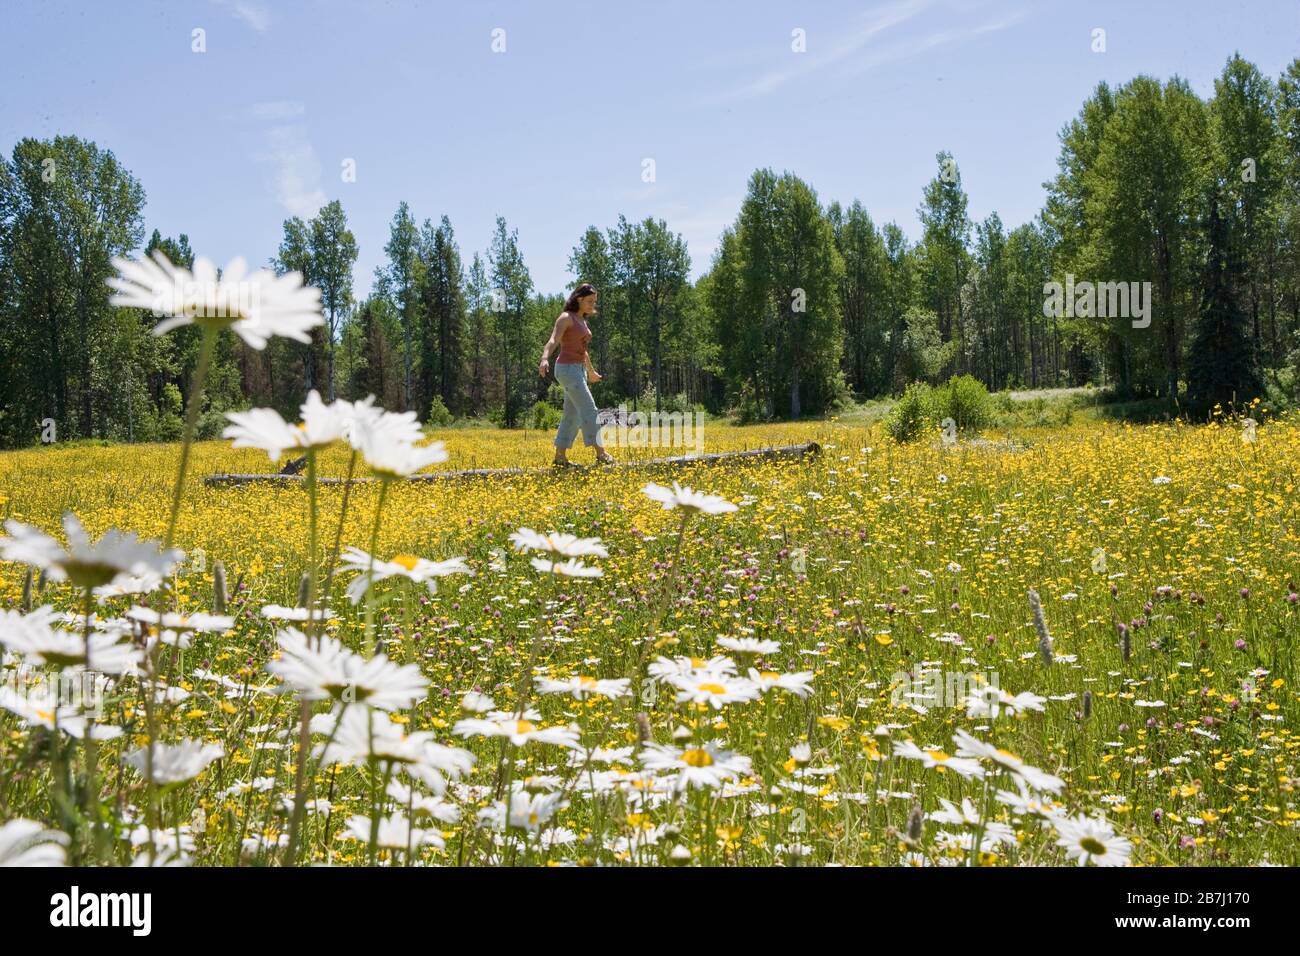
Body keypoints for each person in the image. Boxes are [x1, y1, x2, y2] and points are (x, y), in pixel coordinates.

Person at [538, 282, 613, 466]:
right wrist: (544, 358)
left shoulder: (582, 320)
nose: (592, 305)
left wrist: (591, 371)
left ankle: (560, 458)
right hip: (567, 369)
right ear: (578, 299)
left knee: (572, 415)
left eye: (594, 302)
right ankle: (601, 454)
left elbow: (583, 351)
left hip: (578, 370)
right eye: (589, 301)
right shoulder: (566, 318)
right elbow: (553, 340)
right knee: (589, 409)